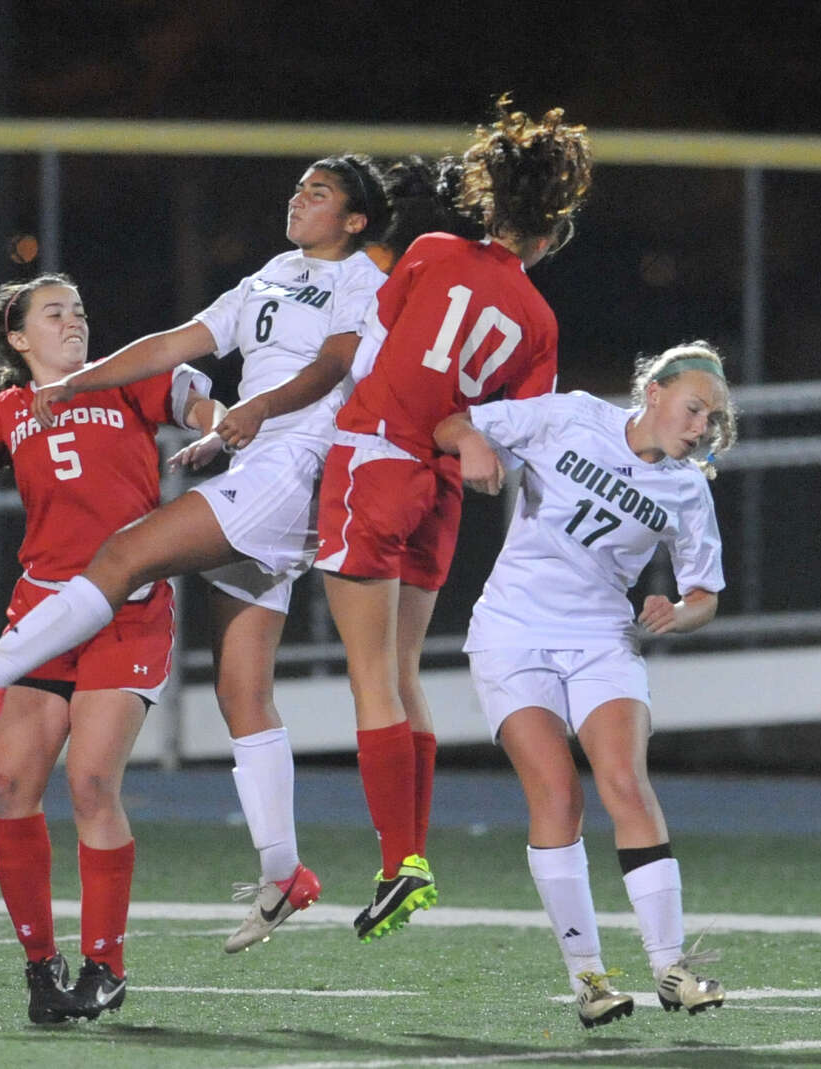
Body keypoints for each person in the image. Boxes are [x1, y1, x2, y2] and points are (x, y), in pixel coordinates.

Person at [0, 155, 394, 955]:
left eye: (321, 192)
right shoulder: (270, 274)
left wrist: (239, 410)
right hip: (244, 475)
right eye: (298, 185)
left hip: (292, 463)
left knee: (127, 553)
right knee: (242, 689)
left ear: (357, 220)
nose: (299, 198)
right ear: (20, 338)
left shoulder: (362, 277)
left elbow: (326, 365)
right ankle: (285, 870)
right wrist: (73, 386)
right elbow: (175, 340)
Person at [0, 274, 219, 1023]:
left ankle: (107, 964)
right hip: (43, 615)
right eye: (54, 313)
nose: (73, 320)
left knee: (92, 782)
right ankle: (43, 966)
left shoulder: (128, 378)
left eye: (78, 308)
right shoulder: (8, 411)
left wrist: (216, 421)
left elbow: (191, 399)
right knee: (10, 787)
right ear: (17, 338)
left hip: (126, 611)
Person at [312, 97, 593, 942]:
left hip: (373, 457)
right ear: (545, 237)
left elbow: (382, 342)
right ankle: (412, 855)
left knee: (370, 678)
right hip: (437, 491)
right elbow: (508, 429)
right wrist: (463, 433)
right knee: (402, 670)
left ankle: (403, 861)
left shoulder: (432, 251)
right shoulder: (539, 323)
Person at [432, 341, 736, 1028]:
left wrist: (677, 612)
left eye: (709, 421)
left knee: (626, 784)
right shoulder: (571, 417)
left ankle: (670, 967)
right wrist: (473, 444)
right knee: (558, 791)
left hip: (603, 639)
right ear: (653, 391)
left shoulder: (686, 487)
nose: (698, 429)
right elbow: (451, 421)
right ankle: (590, 977)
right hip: (512, 631)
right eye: (693, 410)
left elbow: (705, 594)